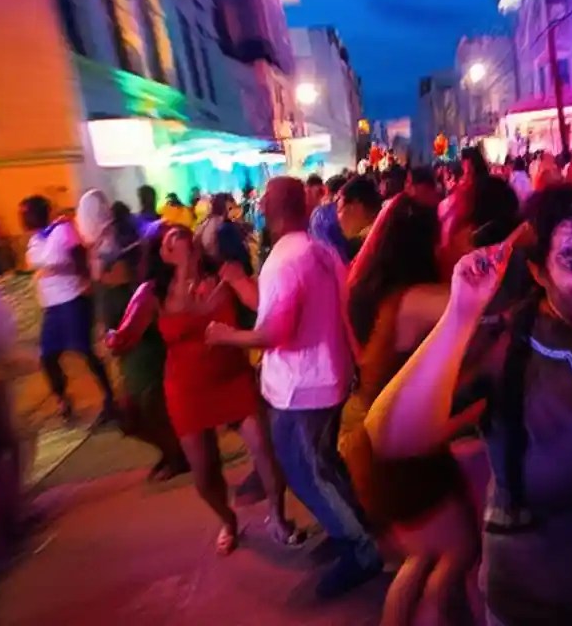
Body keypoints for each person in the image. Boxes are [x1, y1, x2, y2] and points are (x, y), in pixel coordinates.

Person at [367, 184, 572, 625]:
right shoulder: (510, 345)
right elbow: (391, 436)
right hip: (538, 604)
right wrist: (461, 313)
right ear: (539, 273)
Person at [206, 176, 381, 597]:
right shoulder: (319, 250)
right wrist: (236, 282)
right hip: (328, 379)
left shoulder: (285, 260)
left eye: (264, 203)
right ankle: (353, 529)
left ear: (270, 209)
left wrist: (225, 336)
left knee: (308, 474)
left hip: (300, 391)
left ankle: (360, 548)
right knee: (324, 466)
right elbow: (279, 306)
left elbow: (274, 331)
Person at [108, 225, 297, 553]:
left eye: (182, 232)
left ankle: (278, 517)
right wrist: (114, 338)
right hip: (187, 391)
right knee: (204, 474)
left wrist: (240, 281)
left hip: (233, 378)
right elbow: (125, 335)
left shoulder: (222, 274)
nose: (178, 236)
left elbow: (261, 306)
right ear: (162, 254)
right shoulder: (152, 293)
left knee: (264, 449)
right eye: (169, 237)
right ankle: (228, 520)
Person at [342, 196, 478, 625]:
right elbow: (482, 304)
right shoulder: (418, 297)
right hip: (404, 456)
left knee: (419, 561)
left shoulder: (382, 294)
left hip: (385, 449)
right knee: (455, 556)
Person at [96, 205, 187, 481]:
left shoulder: (140, 288)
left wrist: (115, 339)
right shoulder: (107, 286)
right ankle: (173, 453)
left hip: (146, 355)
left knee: (147, 412)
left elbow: (135, 326)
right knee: (131, 419)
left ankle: (177, 456)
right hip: (129, 359)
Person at [20, 196, 116, 421]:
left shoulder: (62, 230)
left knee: (84, 350)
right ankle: (63, 399)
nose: (23, 218)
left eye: (26, 213)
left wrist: (84, 281)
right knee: (47, 356)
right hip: (52, 305)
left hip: (72, 299)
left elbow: (79, 257)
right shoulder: (35, 239)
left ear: (41, 212)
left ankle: (110, 398)